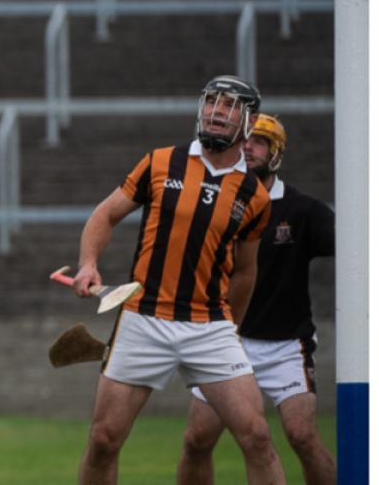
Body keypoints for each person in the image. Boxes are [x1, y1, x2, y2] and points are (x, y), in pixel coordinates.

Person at [71, 75, 286, 484]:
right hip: (142, 319)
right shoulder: (160, 162)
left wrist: (231, 329)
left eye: (227, 106)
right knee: (104, 439)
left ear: (248, 120)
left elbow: (245, 270)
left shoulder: (252, 195)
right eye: (211, 103)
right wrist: (88, 264)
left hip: (209, 326)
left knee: (257, 436)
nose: (215, 112)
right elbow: (105, 215)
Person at [177, 113, 336, 484]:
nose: (248, 147)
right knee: (196, 440)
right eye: (244, 140)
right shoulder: (215, 200)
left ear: (276, 152)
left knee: (302, 436)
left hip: (287, 345)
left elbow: (353, 250)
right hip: (226, 341)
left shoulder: (304, 210)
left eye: (259, 141)